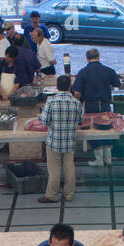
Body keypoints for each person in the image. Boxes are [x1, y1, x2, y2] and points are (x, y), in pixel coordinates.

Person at [38, 75, 82, 203]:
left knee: (54, 170)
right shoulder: (76, 103)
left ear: (57, 87)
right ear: (70, 87)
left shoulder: (51, 101)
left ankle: (52, 195)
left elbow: (44, 121)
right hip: (70, 141)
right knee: (69, 168)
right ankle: (68, 195)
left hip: (54, 142)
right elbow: (80, 121)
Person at [72, 48, 120, 166]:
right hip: (105, 106)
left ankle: (99, 160)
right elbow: (117, 84)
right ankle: (108, 159)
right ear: (98, 57)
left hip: (90, 107)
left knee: (93, 132)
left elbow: (77, 93)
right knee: (107, 129)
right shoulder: (108, 70)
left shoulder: (83, 72)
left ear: (87, 58)